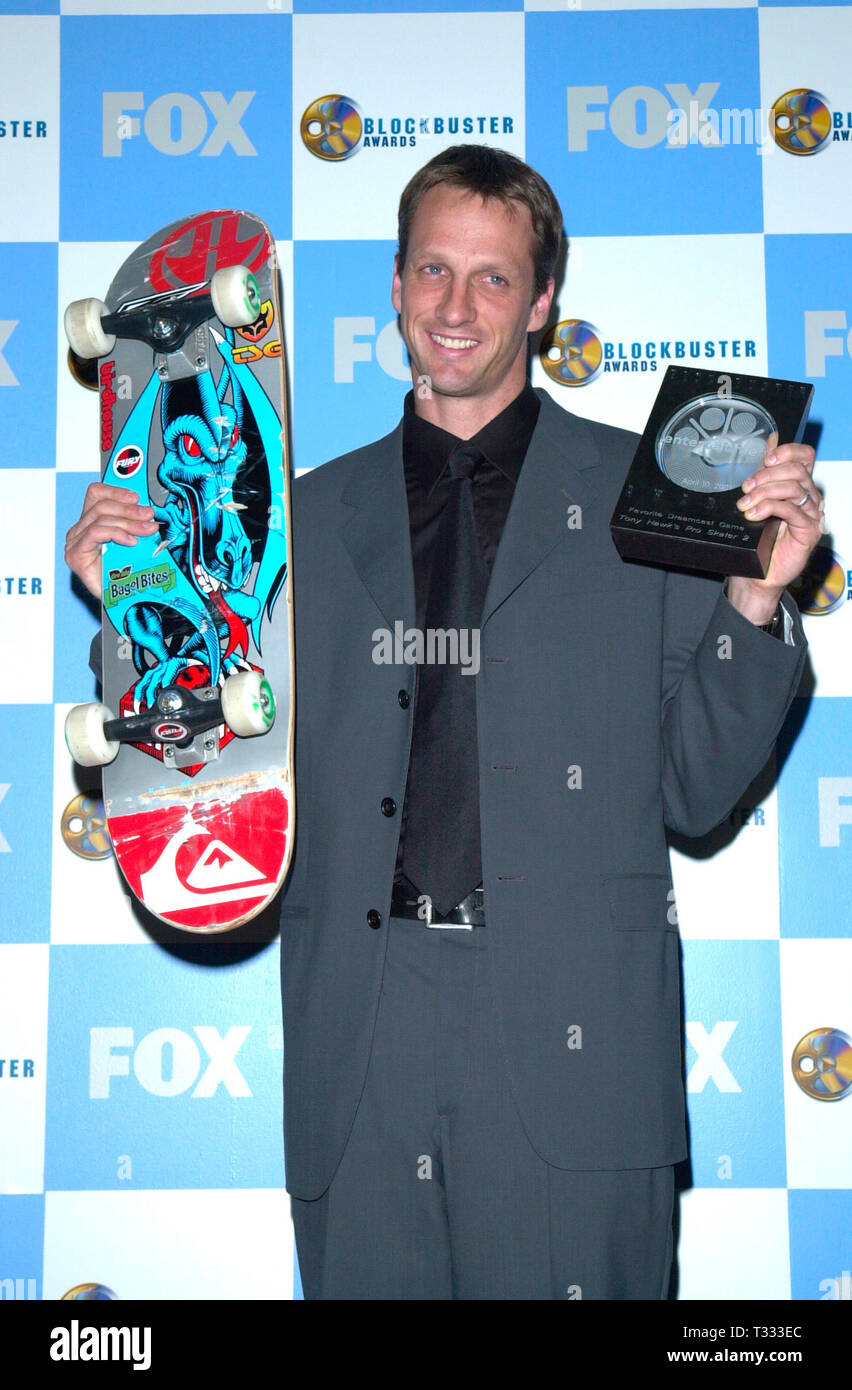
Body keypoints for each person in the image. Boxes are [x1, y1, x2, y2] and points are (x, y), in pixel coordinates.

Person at [65, 146, 822, 1300]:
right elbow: (202, 757)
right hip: (362, 1038)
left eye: (493, 278)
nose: (456, 308)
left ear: (545, 302)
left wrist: (755, 597)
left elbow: (696, 793)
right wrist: (133, 604)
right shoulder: (290, 521)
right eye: (432, 271)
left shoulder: (657, 497)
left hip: (575, 1035)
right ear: (395, 285)